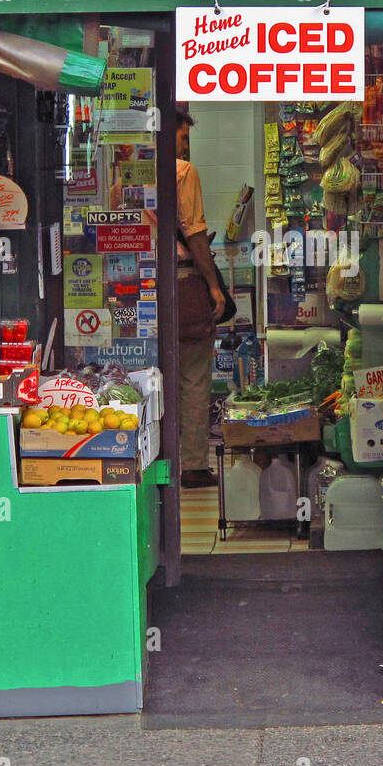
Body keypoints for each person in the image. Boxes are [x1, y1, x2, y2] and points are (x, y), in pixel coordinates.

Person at [172, 110, 226, 488]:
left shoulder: (120, 175)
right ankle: (190, 464)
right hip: (184, 286)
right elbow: (194, 234)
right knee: (193, 377)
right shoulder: (183, 172)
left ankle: (158, 460)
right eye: (183, 140)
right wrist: (213, 285)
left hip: (135, 286)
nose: (185, 148)